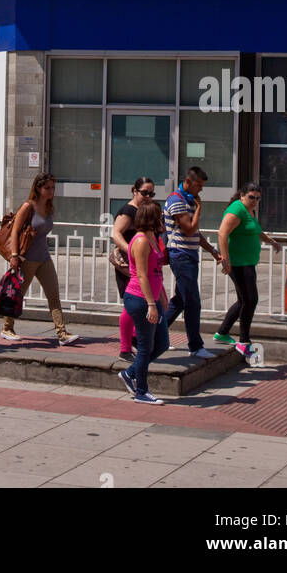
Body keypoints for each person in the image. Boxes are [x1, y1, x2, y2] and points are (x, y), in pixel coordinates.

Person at [1, 172, 78, 345]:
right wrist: (14, 256)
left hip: (44, 258)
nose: (51, 191)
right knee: (18, 294)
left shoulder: (49, 207)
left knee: (54, 295)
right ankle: (7, 327)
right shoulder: (29, 206)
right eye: (47, 188)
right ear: (38, 187)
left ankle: (62, 333)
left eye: (53, 188)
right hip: (26, 258)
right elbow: (15, 231)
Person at [215, 182, 283, 357]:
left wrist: (271, 241)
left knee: (243, 300)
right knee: (250, 300)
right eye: (251, 197)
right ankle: (244, 341)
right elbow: (222, 233)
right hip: (238, 263)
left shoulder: (248, 211)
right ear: (242, 195)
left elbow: (255, 231)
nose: (255, 201)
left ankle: (222, 332)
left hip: (247, 262)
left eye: (258, 198)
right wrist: (225, 259)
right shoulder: (236, 209)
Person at [163, 166, 221, 359]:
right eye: (198, 186)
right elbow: (189, 229)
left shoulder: (188, 201)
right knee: (193, 302)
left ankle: (152, 336)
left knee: (180, 300)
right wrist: (200, 210)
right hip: (180, 255)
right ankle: (195, 346)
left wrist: (212, 250)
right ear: (187, 182)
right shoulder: (177, 201)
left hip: (188, 255)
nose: (201, 190)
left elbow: (194, 233)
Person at [119, 199, 169, 405]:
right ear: (152, 219)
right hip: (140, 299)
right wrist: (151, 304)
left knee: (162, 343)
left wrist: (161, 299)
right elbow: (142, 275)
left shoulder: (152, 238)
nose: (163, 219)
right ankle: (141, 391)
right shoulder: (140, 241)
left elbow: (156, 272)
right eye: (160, 216)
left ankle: (130, 373)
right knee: (146, 346)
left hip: (151, 298)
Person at [112, 177, 156, 357]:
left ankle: (135, 340)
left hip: (144, 264)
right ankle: (126, 346)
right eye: (144, 192)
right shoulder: (128, 211)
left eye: (151, 193)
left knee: (139, 304)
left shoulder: (145, 211)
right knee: (131, 305)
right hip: (129, 266)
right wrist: (130, 251)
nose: (148, 196)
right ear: (134, 191)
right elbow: (115, 233)